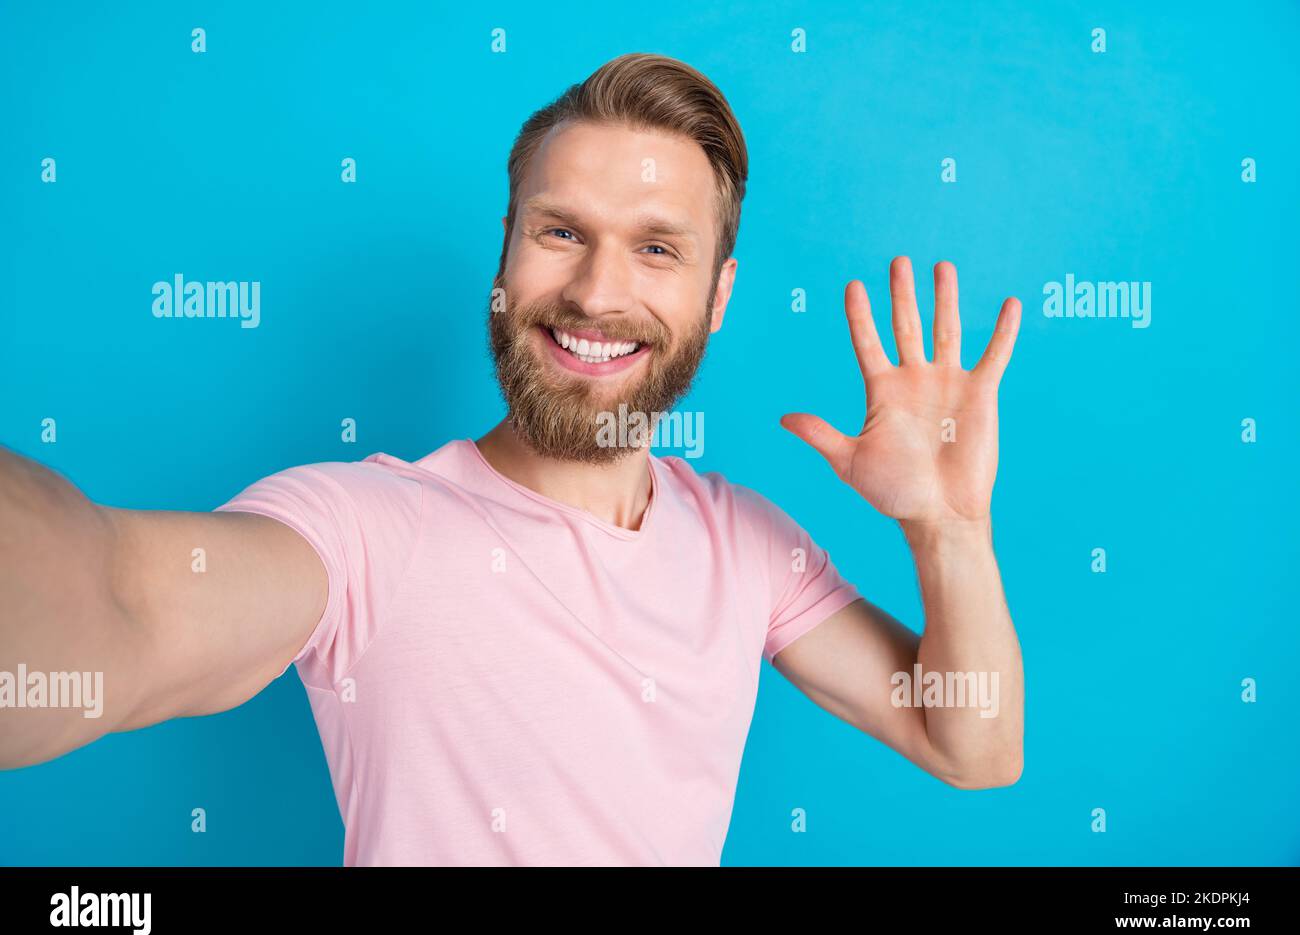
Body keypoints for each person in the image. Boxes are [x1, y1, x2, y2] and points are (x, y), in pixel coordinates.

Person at [0, 53, 1023, 865]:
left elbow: (970, 745)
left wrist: (949, 529)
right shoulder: (365, 528)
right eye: (561, 231)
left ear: (717, 297)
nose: (594, 292)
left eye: (657, 248)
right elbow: (124, 600)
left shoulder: (743, 542)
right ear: (505, 251)